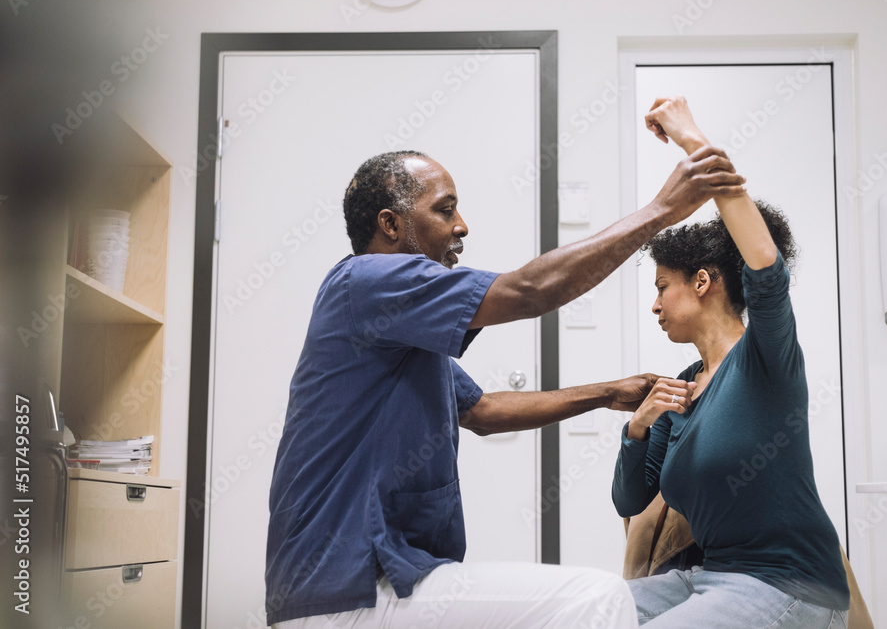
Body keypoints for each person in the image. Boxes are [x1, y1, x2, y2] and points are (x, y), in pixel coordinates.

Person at [265, 146, 747, 628]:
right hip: (347, 589)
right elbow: (528, 290)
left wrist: (607, 393)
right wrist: (661, 211)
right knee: (597, 599)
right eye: (444, 208)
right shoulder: (366, 281)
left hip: (379, 581)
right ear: (390, 225)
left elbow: (483, 410)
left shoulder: (401, 331)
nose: (462, 226)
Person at [612, 97, 850, 628]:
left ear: (702, 282)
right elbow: (630, 498)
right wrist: (635, 430)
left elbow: (766, 267)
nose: (654, 305)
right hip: (710, 579)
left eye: (661, 288)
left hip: (789, 584)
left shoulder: (765, 357)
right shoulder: (679, 389)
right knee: (584, 613)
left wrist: (690, 137)